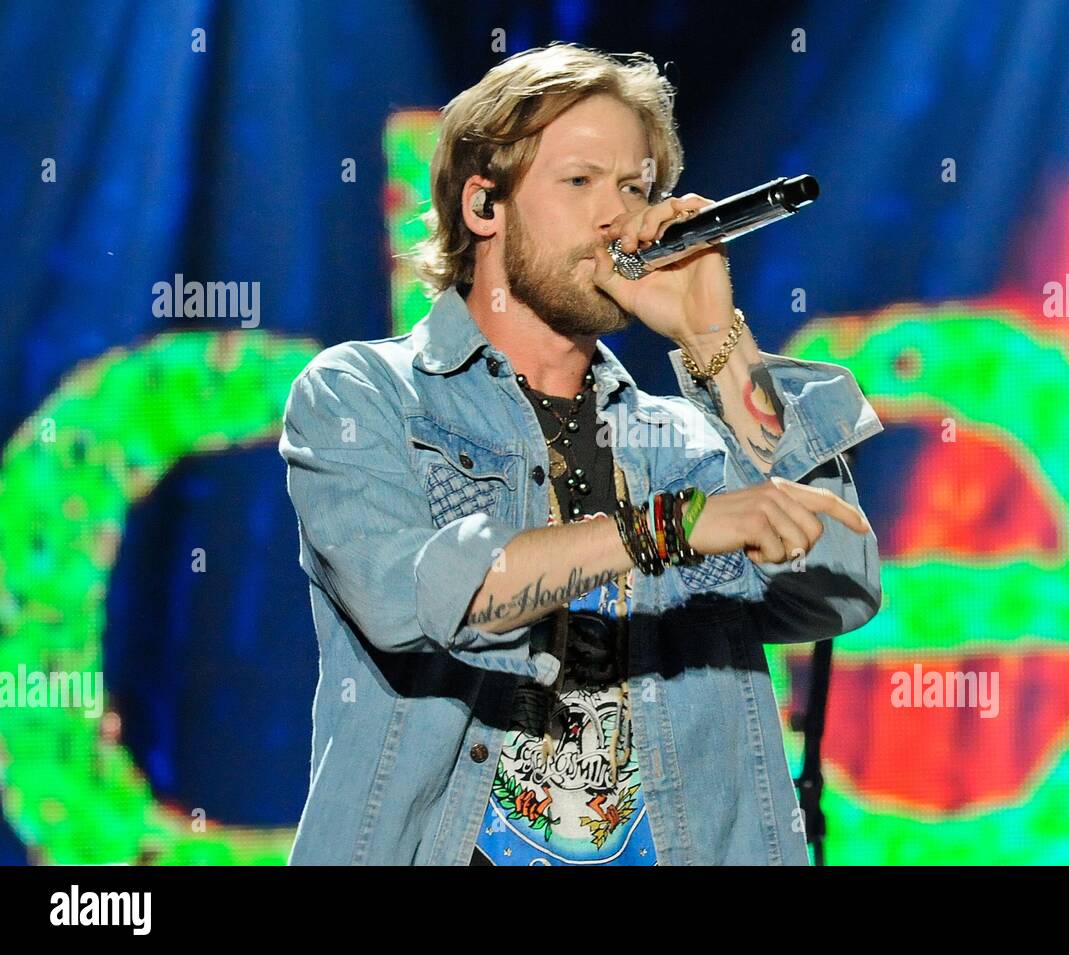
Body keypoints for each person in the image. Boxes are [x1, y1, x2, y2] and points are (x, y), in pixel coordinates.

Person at [278, 41, 884, 866]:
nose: (618, 215)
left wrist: (714, 338)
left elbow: (839, 576)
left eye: (636, 187)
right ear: (484, 204)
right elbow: (411, 598)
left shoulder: (685, 437)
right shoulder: (363, 394)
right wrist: (666, 530)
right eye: (581, 182)